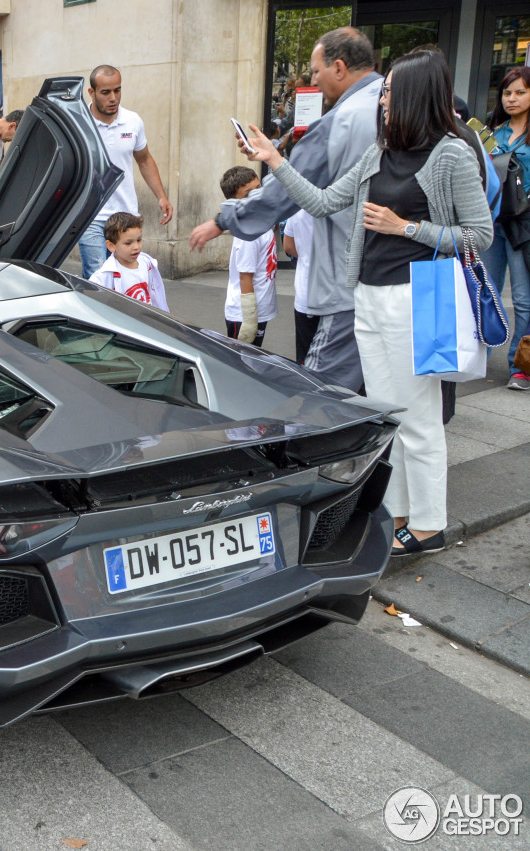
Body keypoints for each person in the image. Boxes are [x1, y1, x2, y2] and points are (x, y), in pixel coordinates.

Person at [241, 50, 493, 555]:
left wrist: (408, 228)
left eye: (393, 92)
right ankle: (400, 515)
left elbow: (480, 234)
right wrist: (275, 161)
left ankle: (428, 526)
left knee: (419, 417)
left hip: (418, 298)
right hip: (368, 296)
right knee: (391, 414)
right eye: (383, 92)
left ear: (419, 94)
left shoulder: (451, 154)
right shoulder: (379, 153)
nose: (383, 100)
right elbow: (321, 201)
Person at [190, 28, 382, 393]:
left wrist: (224, 219)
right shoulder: (401, 104)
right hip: (399, 284)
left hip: (351, 284)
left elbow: (293, 196)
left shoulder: (340, 122)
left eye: (315, 71)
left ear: (338, 67)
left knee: (323, 395)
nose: (312, 81)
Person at [75, 65, 174, 278]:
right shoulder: (79, 123)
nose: (113, 98)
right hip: (90, 216)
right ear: (91, 93)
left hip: (126, 215)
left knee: (127, 276)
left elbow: (144, 159)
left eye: (117, 90)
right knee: (98, 278)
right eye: (105, 92)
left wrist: (161, 196)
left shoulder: (132, 121)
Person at [482, 66, 530, 390]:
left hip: (524, 224)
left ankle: (520, 365)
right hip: (492, 222)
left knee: (524, 299)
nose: (512, 98)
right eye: (507, 92)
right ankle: (477, 356)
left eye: (520, 92)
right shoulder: (491, 132)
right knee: (486, 290)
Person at [218, 166, 277, 344]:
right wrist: (250, 320)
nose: (257, 196)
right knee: (241, 364)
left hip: (260, 310)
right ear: (235, 202)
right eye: (248, 194)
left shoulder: (262, 221)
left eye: (259, 188)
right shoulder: (248, 235)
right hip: (244, 315)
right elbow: (245, 277)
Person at [87, 211, 169, 310]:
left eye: (139, 240)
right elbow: (92, 304)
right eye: (128, 243)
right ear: (111, 246)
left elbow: (154, 293)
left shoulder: (146, 262)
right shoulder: (104, 276)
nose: (136, 247)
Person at [284, 209, 318, 364]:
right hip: (336, 296)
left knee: (305, 357)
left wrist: (306, 257)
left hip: (305, 293)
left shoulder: (296, 209)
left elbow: (288, 246)